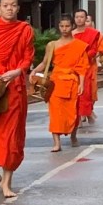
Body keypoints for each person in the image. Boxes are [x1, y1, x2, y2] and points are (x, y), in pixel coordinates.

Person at [0, 0, 35, 198]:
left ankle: (6, 181)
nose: (10, 8)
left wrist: (18, 71)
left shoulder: (24, 30)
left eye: (13, 5)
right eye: (6, 5)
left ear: (18, 8)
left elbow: (28, 56)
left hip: (14, 87)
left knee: (11, 135)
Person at [31, 16, 89, 152]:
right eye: (62, 26)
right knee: (55, 113)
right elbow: (45, 63)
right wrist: (34, 70)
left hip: (72, 82)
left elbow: (82, 67)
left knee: (72, 112)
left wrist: (81, 83)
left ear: (72, 26)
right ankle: (56, 143)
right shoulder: (52, 45)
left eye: (67, 26)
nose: (64, 29)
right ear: (59, 26)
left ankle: (73, 136)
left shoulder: (79, 46)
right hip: (56, 83)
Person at [71, 8, 103, 124]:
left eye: (82, 17)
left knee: (87, 92)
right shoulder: (71, 34)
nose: (79, 19)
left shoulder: (93, 34)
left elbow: (94, 49)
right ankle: (81, 116)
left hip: (88, 67)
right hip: (74, 68)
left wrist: (85, 57)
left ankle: (87, 112)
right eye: (77, 17)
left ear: (86, 19)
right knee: (76, 93)